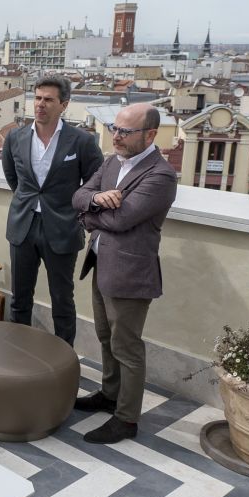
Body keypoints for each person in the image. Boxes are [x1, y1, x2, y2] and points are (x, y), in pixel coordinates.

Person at [72, 102, 177, 443]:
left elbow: (121, 219)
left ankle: (127, 418)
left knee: (127, 347)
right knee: (106, 338)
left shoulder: (159, 175)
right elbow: (78, 195)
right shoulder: (112, 162)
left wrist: (89, 214)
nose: (115, 136)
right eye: (114, 128)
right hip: (102, 266)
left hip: (131, 274)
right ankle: (109, 393)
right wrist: (98, 200)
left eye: (125, 131)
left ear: (150, 134)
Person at [1, 74, 103, 345]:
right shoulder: (15, 138)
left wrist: (77, 218)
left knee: (62, 300)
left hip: (62, 228)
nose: (40, 104)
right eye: (37, 98)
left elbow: (94, 185)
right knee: (20, 298)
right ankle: (17, 352)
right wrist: (29, 201)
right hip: (23, 226)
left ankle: (63, 360)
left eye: (48, 99)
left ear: (64, 105)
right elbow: (15, 179)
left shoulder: (81, 141)